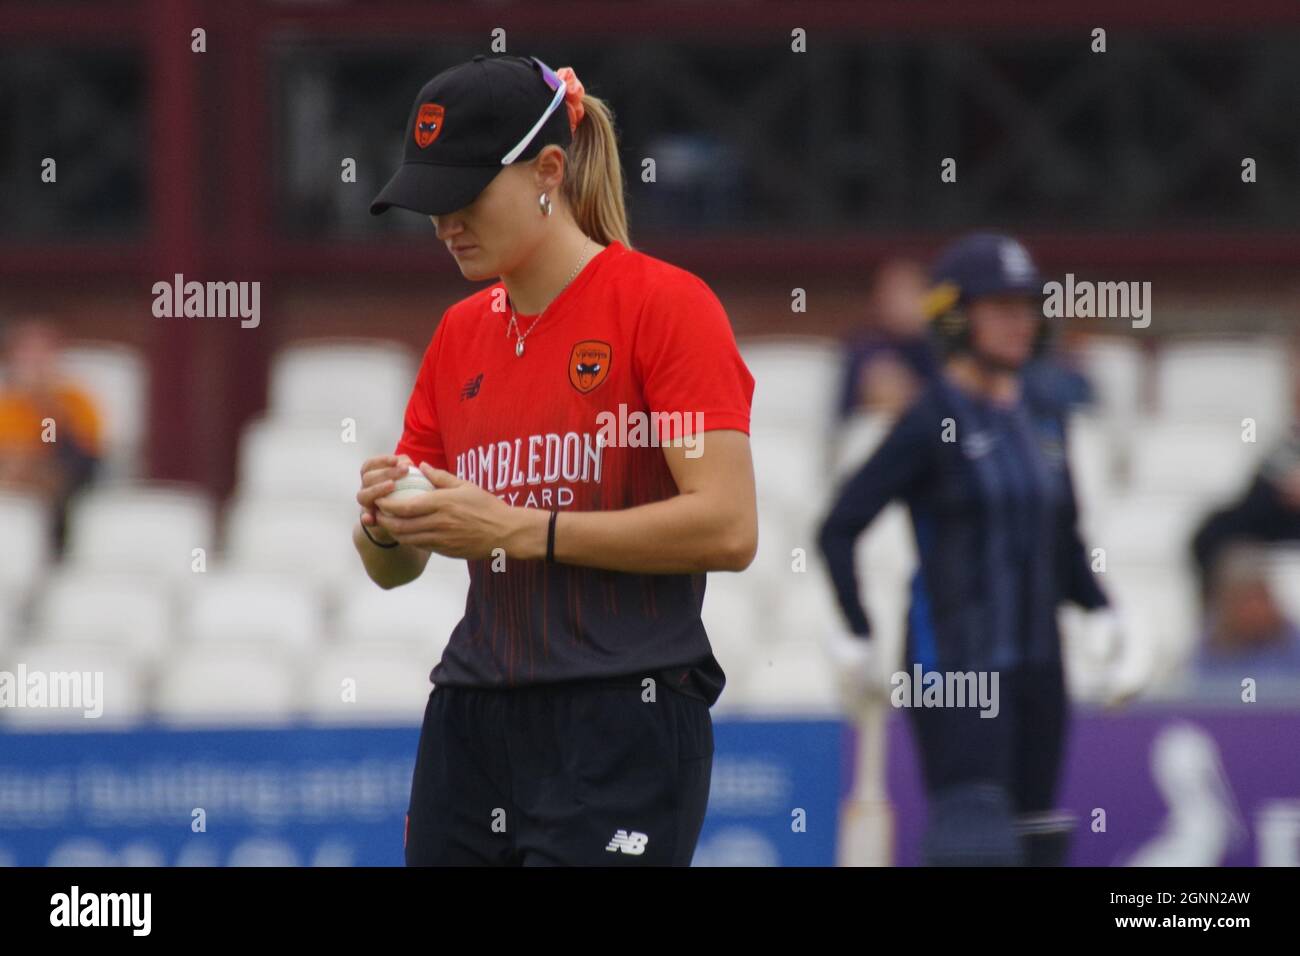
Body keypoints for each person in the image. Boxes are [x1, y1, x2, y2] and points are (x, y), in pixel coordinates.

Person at [354, 54, 757, 866]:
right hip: (470, 717)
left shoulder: (663, 306)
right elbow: (390, 571)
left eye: (464, 196)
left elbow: (728, 525)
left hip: (626, 713)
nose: (444, 224)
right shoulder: (459, 333)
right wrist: (385, 526)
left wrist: (520, 530)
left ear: (548, 170)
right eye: (429, 202)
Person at [817, 233, 1118, 866]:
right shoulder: (931, 418)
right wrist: (856, 628)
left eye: (1028, 306)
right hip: (953, 665)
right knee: (975, 847)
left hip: (1041, 667)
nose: (1021, 322)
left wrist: (1104, 612)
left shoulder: (1044, 412)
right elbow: (839, 525)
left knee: (1038, 843)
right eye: (1000, 306)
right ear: (955, 318)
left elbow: (1063, 537)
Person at [0, 318, 103, 551]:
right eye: (27, 354)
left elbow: (86, 458)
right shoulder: (5, 403)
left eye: (43, 353)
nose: (35, 363)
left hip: (66, 491)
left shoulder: (76, 401)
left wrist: (46, 404)